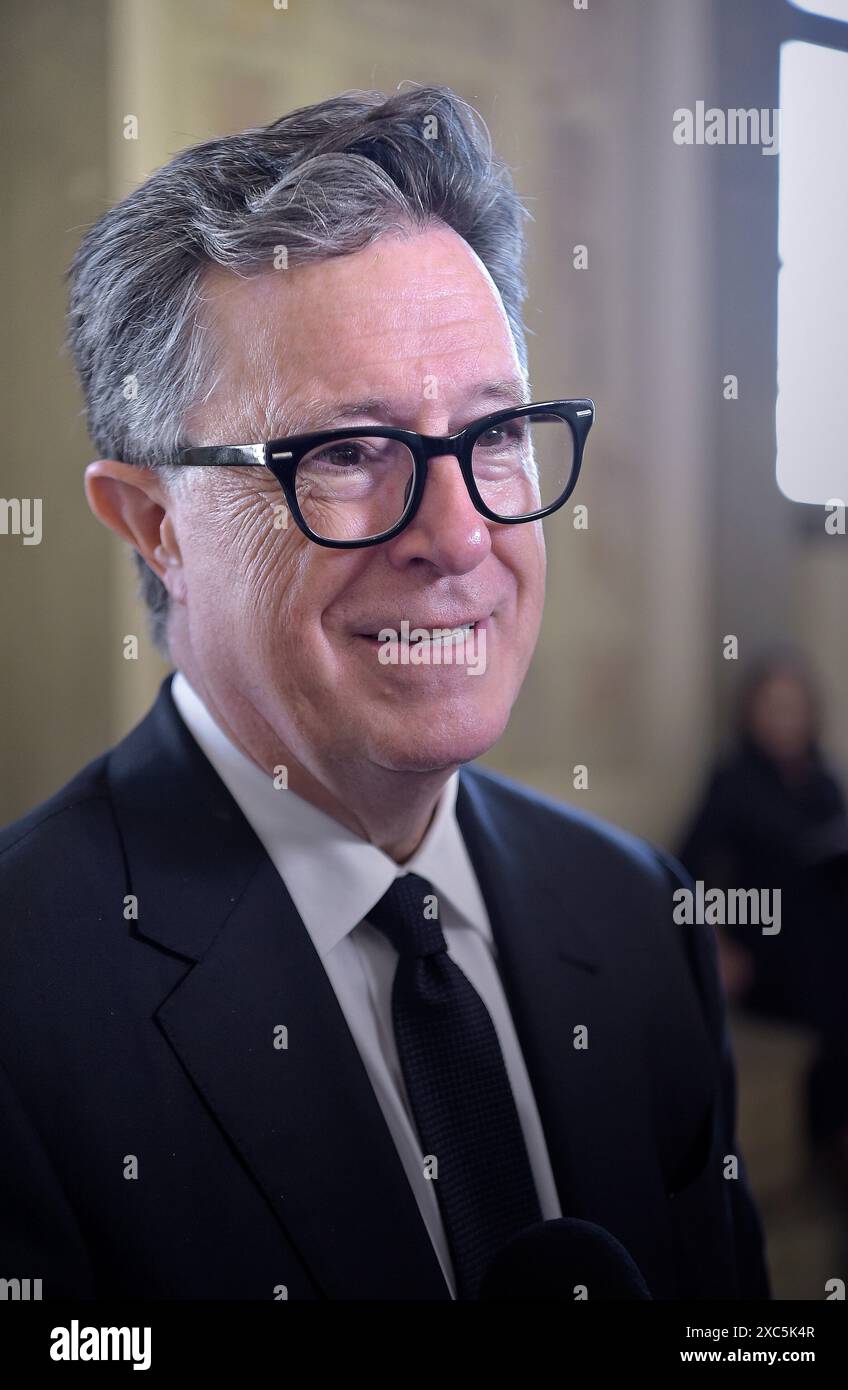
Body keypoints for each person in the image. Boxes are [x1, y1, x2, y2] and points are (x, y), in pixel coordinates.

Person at [0, 85, 768, 1300]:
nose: (458, 536)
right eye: (347, 453)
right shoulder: (25, 998)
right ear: (156, 526)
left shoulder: (634, 917)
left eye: (494, 430)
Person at [678, 650, 848, 1219]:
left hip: (839, 939)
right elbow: (682, 873)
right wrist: (720, 943)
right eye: (773, 706)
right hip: (773, 953)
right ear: (751, 712)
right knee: (842, 1029)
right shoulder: (733, 781)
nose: (785, 718)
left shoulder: (825, 778)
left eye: (794, 707)